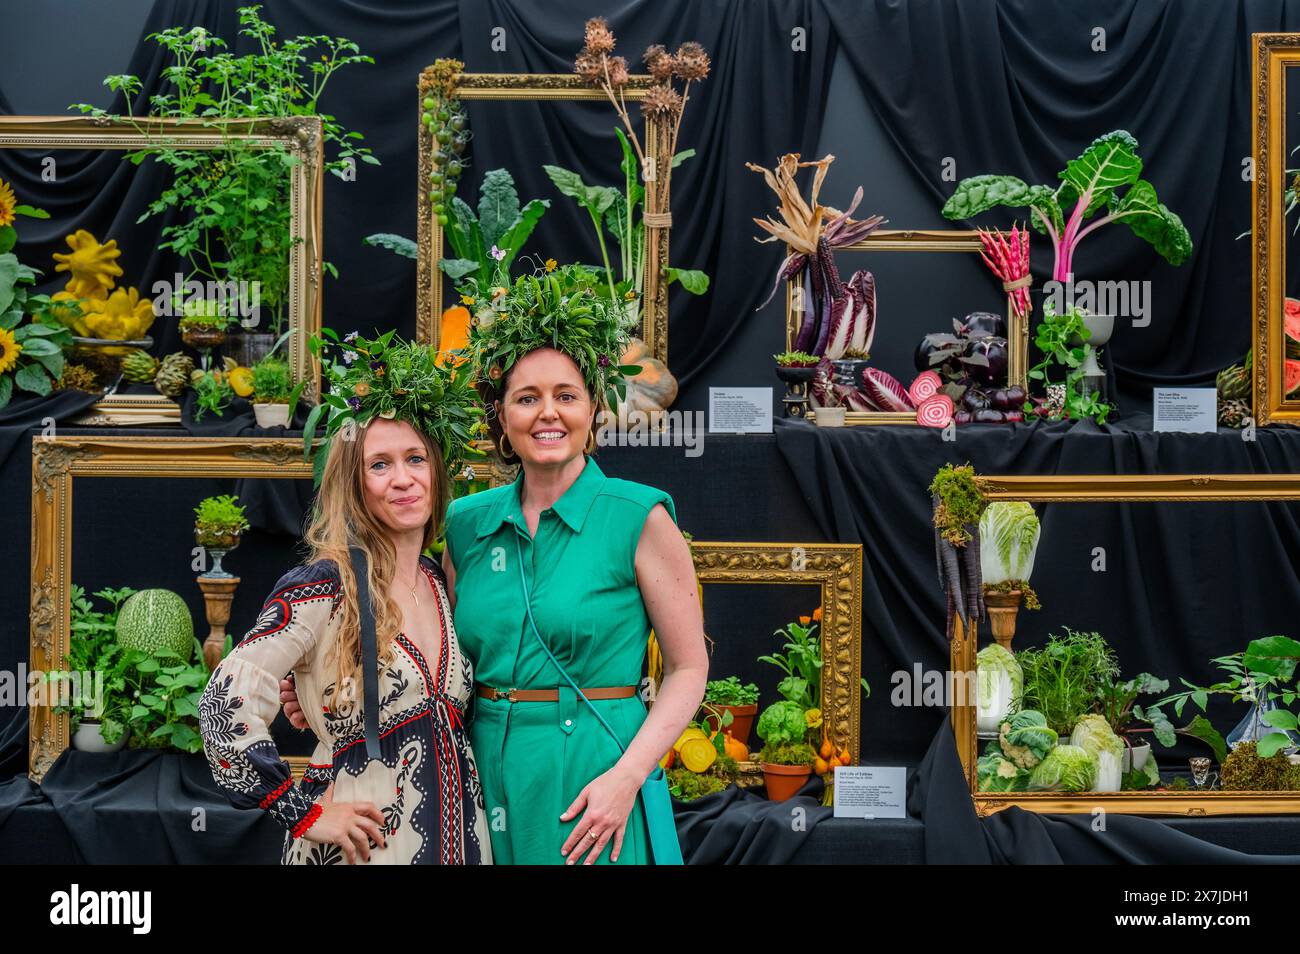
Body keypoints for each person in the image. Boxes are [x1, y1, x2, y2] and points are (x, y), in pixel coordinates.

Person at [284, 265, 709, 864]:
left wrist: (628, 777)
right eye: (527, 398)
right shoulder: (466, 523)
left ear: (593, 409)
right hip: (480, 770)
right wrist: (326, 687)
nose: (548, 414)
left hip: (596, 768)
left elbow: (689, 669)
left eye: (566, 396)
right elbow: (436, 654)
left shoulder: (639, 518)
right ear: (502, 418)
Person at [199, 335, 490, 864]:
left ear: (436, 472)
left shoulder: (439, 580)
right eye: (379, 465)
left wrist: (312, 694)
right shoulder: (322, 587)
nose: (403, 479)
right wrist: (303, 811)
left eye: (415, 459)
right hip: (364, 845)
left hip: (458, 840)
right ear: (353, 483)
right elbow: (224, 704)